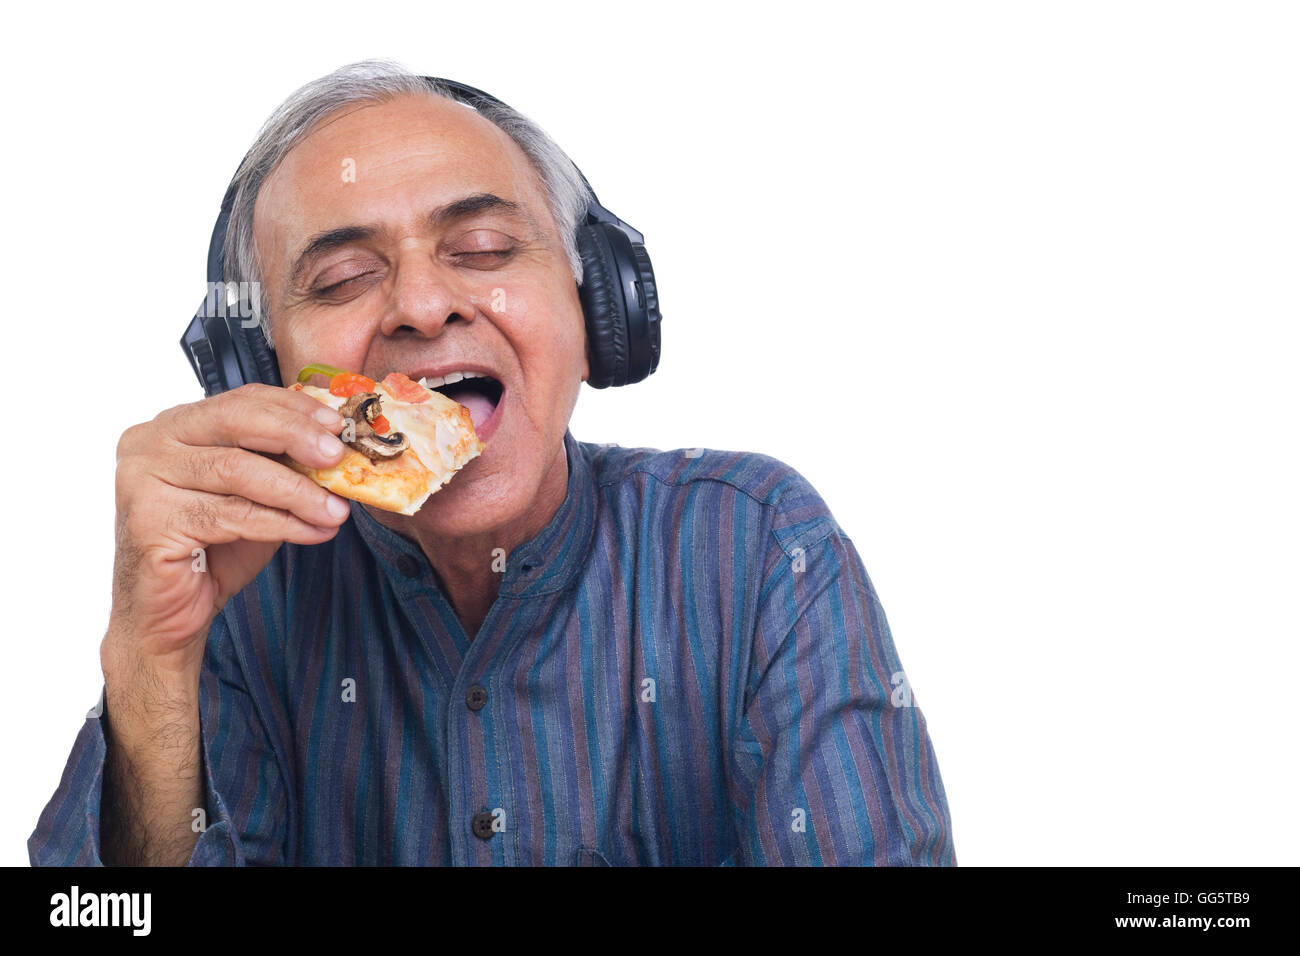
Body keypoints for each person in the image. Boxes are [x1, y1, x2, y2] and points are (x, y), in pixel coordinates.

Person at [30, 60, 956, 866]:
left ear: (598, 315)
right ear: (258, 372)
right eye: (345, 278)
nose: (423, 306)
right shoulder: (241, 598)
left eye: (481, 248)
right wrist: (150, 660)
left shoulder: (754, 548)